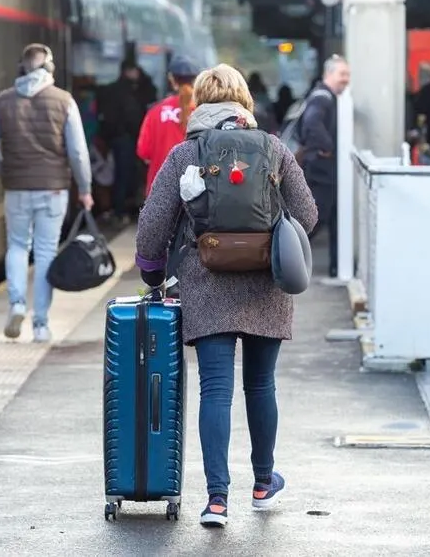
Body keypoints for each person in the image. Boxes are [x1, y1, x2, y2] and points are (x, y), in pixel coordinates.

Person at [134, 63, 318, 527]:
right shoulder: (274, 149)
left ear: (199, 103)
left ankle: (217, 500)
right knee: (261, 385)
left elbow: (153, 223)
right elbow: (309, 215)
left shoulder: (185, 153)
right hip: (266, 286)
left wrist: (152, 273)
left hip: (206, 282)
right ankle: (262, 484)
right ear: (244, 100)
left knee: (215, 389)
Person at [0, 43, 93, 343]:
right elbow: (78, 152)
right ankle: (41, 324)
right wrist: (85, 189)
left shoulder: (3, 101)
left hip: (16, 189)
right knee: (44, 253)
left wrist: (5, 169)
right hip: (53, 190)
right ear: (50, 69)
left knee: (17, 246)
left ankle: (17, 303)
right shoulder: (64, 101)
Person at [298, 54, 350, 279]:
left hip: (325, 170)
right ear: (329, 74)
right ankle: (287, 259)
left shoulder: (326, 97)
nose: (346, 79)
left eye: (348, 75)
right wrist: (327, 146)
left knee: (331, 218)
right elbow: (311, 123)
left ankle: (336, 267)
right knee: (316, 218)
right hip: (322, 171)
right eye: (342, 74)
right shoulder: (323, 98)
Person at [96, 59, 151, 224]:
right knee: (125, 175)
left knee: (121, 174)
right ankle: (122, 210)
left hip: (117, 138)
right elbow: (132, 114)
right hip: (126, 137)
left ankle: (120, 209)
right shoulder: (128, 92)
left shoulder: (115, 89)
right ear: (128, 71)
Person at [135, 55, 199, 196]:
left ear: (171, 79)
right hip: (195, 191)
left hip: (159, 191)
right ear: (196, 80)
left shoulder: (155, 112)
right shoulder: (203, 112)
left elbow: (143, 152)